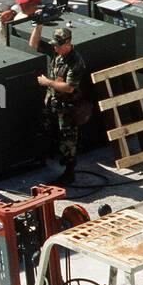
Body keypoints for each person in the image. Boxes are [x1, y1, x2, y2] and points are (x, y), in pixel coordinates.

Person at [30, 24, 88, 185]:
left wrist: (47, 82)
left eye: (59, 45)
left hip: (68, 108)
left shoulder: (75, 62)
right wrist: (38, 26)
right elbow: (34, 44)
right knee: (50, 132)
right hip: (53, 103)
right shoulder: (56, 52)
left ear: (68, 44)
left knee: (68, 141)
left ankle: (69, 172)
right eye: (54, 45)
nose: (55, 48)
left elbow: (69, 87)